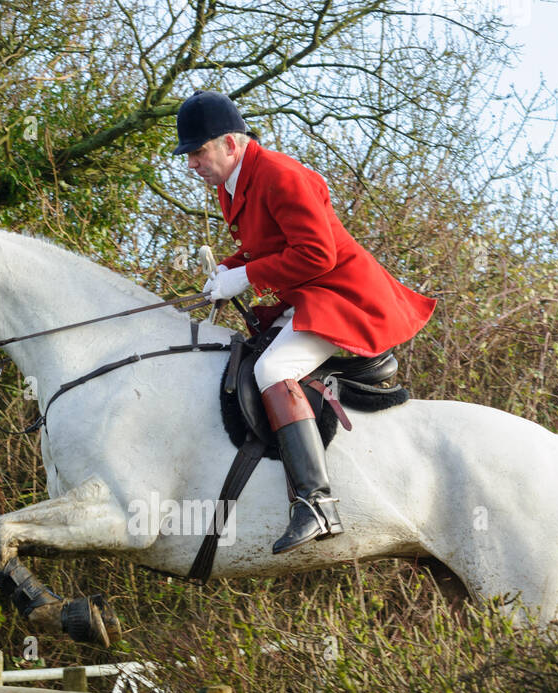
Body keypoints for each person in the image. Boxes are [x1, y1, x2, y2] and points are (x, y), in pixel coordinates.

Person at [175, 91, 436, 553]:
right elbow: (267, 244)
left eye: (198, 151)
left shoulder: (280, 175)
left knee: (271, 369)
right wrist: (230, 270)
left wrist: (247, 276)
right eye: (190, 154)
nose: (192, 163)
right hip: (303, 297)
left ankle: (316, 504)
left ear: (231, 145)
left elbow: (318, 253)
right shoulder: (233, 184)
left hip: (340, 297)